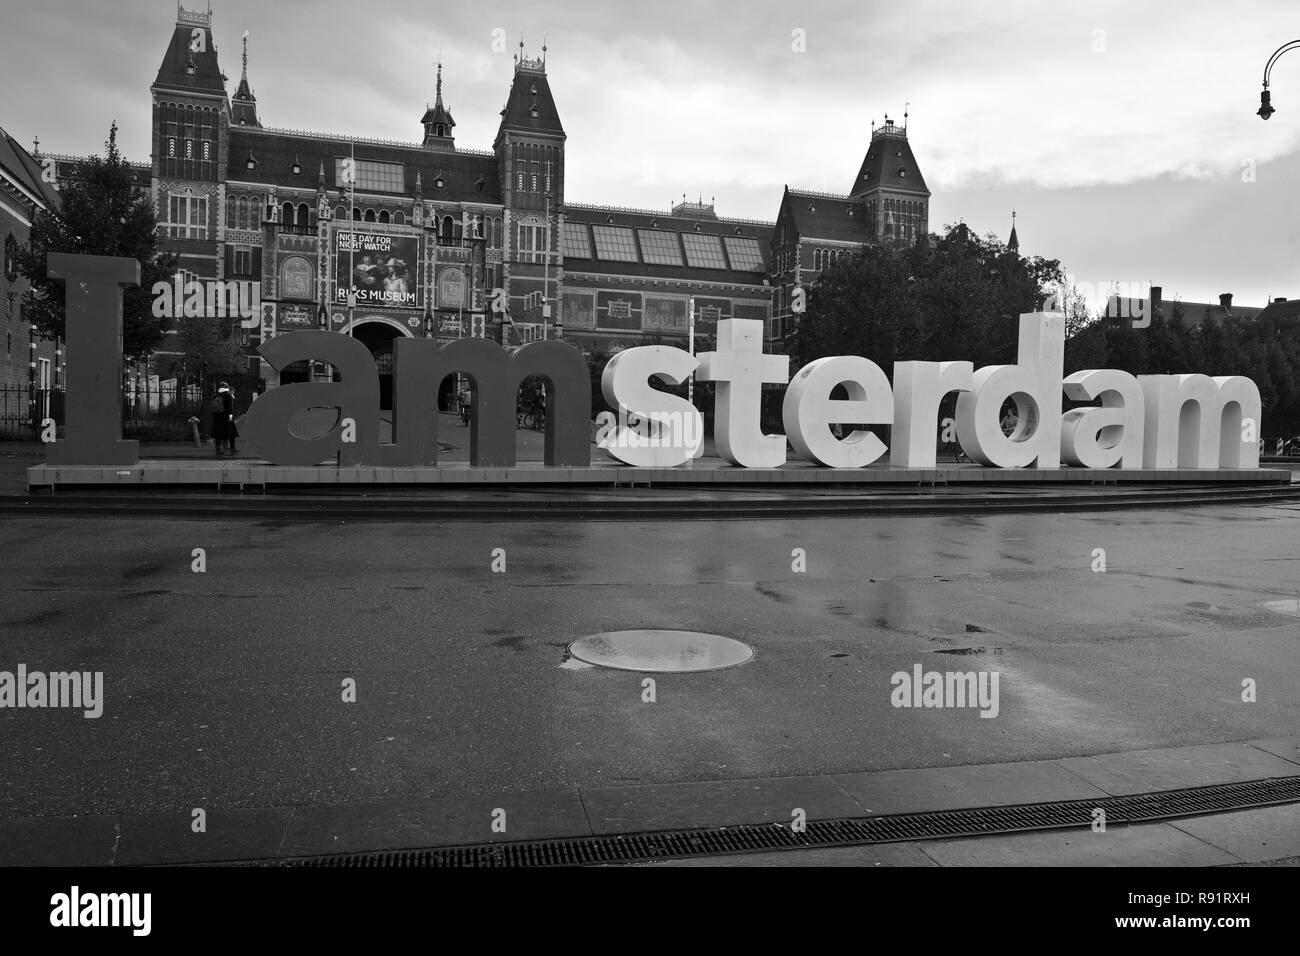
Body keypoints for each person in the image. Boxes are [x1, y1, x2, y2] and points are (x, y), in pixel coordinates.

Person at [211, 382, 238, 456]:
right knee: (232, 432)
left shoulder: (216, 395)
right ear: (226, 387)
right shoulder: (228, 395)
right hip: (226, 417)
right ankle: (233, 448)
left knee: (218, 433)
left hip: (217, 417)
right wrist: (231, 417)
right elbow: (230, 408)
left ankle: (218, 449)